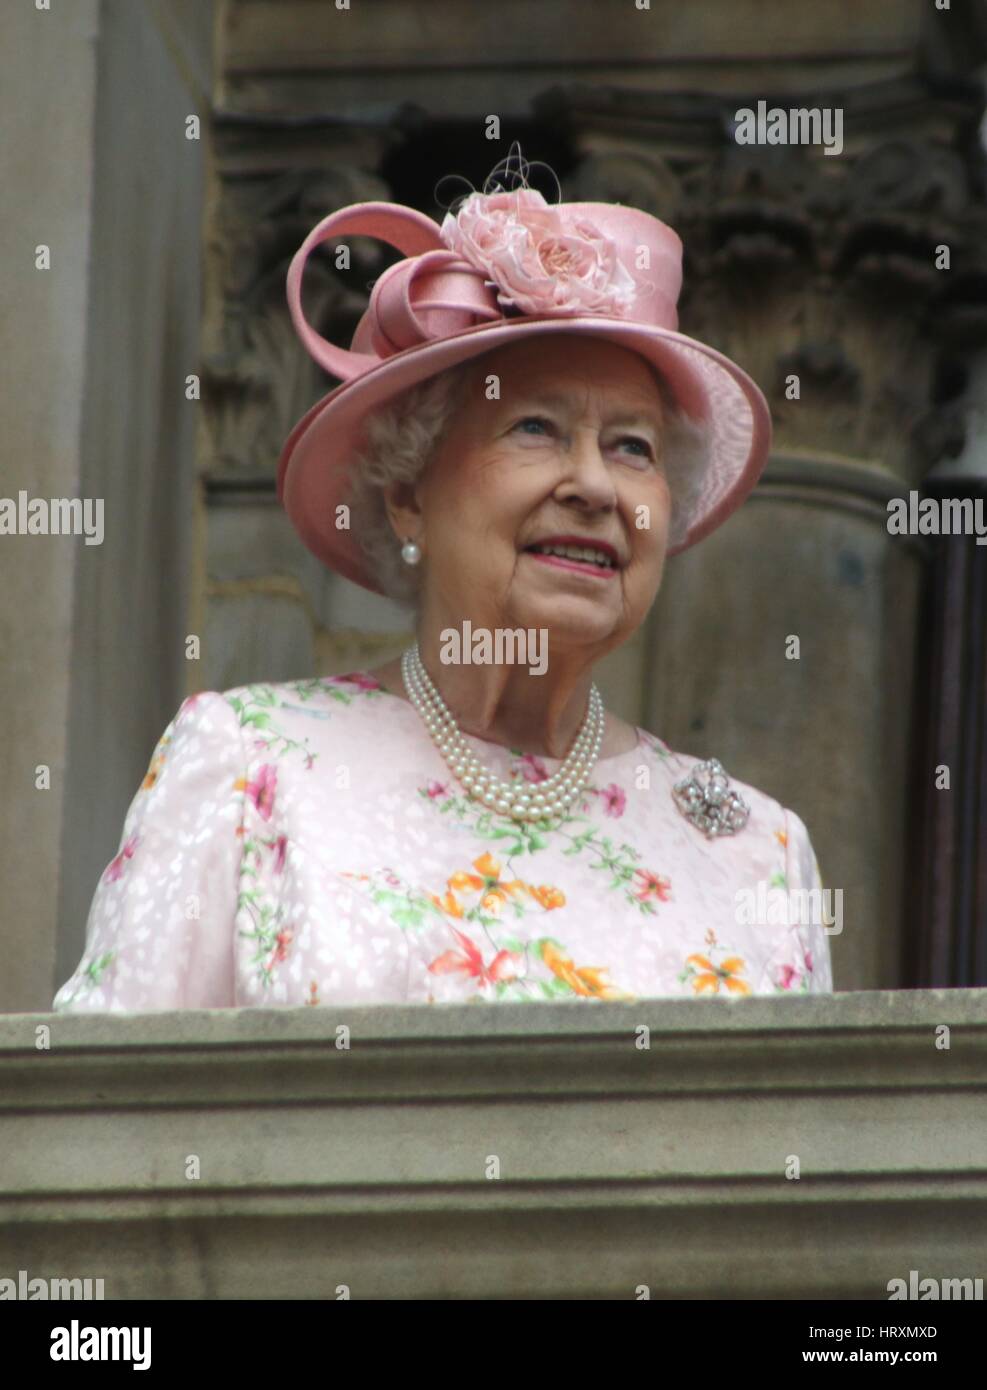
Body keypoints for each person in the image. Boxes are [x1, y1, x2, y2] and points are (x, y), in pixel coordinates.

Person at [53, 153, 833, 1013]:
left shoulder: (756, 850)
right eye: (535, 428)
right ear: (408, 497)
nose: (594, 486)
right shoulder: (252, 768)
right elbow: (109, 1123)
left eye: (632, 447)